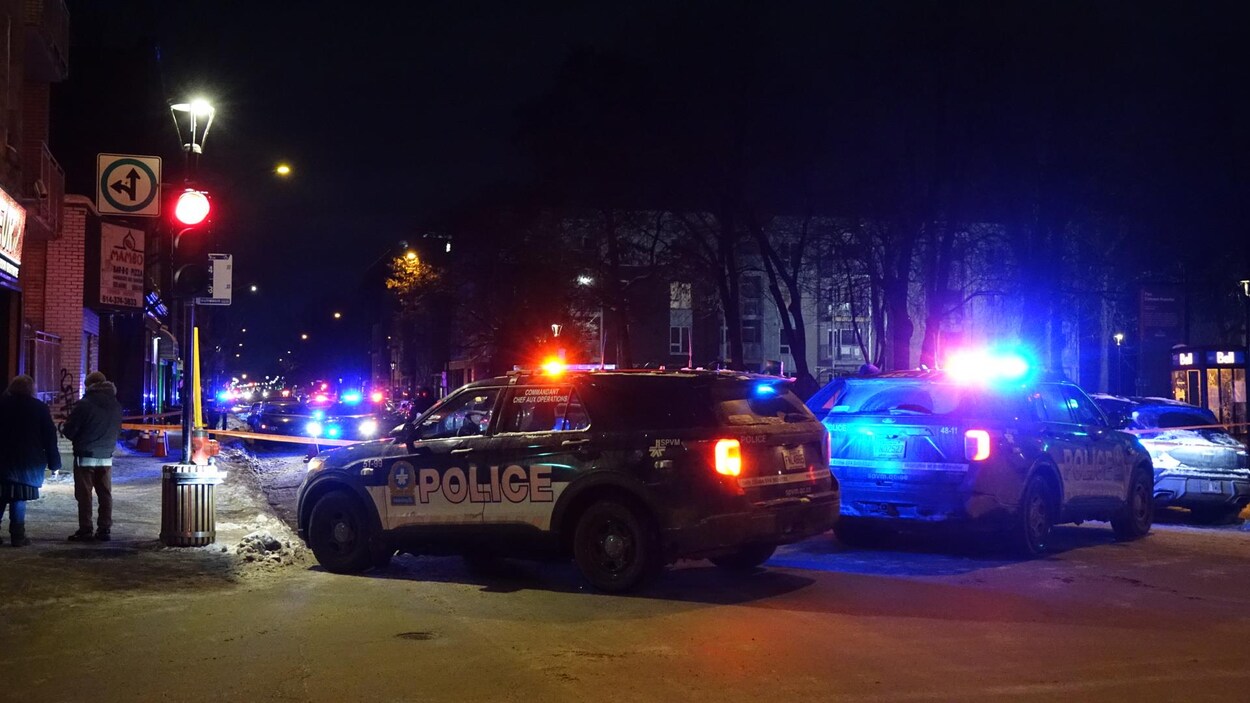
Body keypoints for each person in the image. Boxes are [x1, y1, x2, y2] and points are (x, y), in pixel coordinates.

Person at [0, 375, 61, 547]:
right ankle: (18, 536)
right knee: (18, 499)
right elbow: (49, 437)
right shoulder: (39, 408)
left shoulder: (2, 404)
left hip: (2, 460)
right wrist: (54, 463)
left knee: (0, 496)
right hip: (27, 462)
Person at [62, 371, 123, 542]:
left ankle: (85, 529)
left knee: (84, 494)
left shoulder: (84, 404)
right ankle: (104, 529)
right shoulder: (116, 405)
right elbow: (118, 430)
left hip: (85, 455)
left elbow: (69, 430)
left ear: (88, 385)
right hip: (106, 455)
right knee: (105, 493)